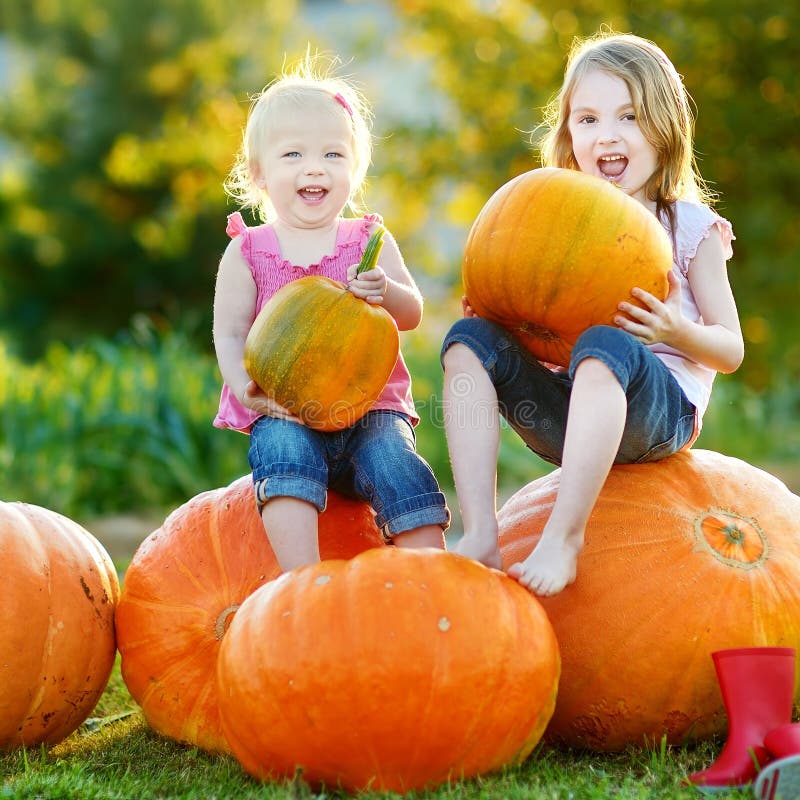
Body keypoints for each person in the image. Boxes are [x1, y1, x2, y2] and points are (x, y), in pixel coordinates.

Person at [441, 31, 744, 596]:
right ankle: (480, 532)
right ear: (567, 134)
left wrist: (676, 330)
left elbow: (731, 349)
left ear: (665, 126)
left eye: (629, 117)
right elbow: (549, 331)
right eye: (587, 119)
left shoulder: (688, 226)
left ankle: (564, 537)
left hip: (658, 416)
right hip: (568, 414)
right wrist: (500, 319)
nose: (607, 135)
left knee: (607, 344)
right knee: (467, 339)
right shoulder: (555, 219)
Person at [213, 54, 449, 571]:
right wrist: (245, 388)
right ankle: (304, 579)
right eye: (293, 154)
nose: (314, 167)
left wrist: (385, 290)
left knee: (396, 463)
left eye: (333, 154)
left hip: (371, 411)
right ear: (258, 173)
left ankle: (432, 578)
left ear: (354, 168)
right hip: (288, 409)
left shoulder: (369, 240)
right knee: (283, 456)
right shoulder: (249, 250)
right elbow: (229, 333)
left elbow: (411, 312)